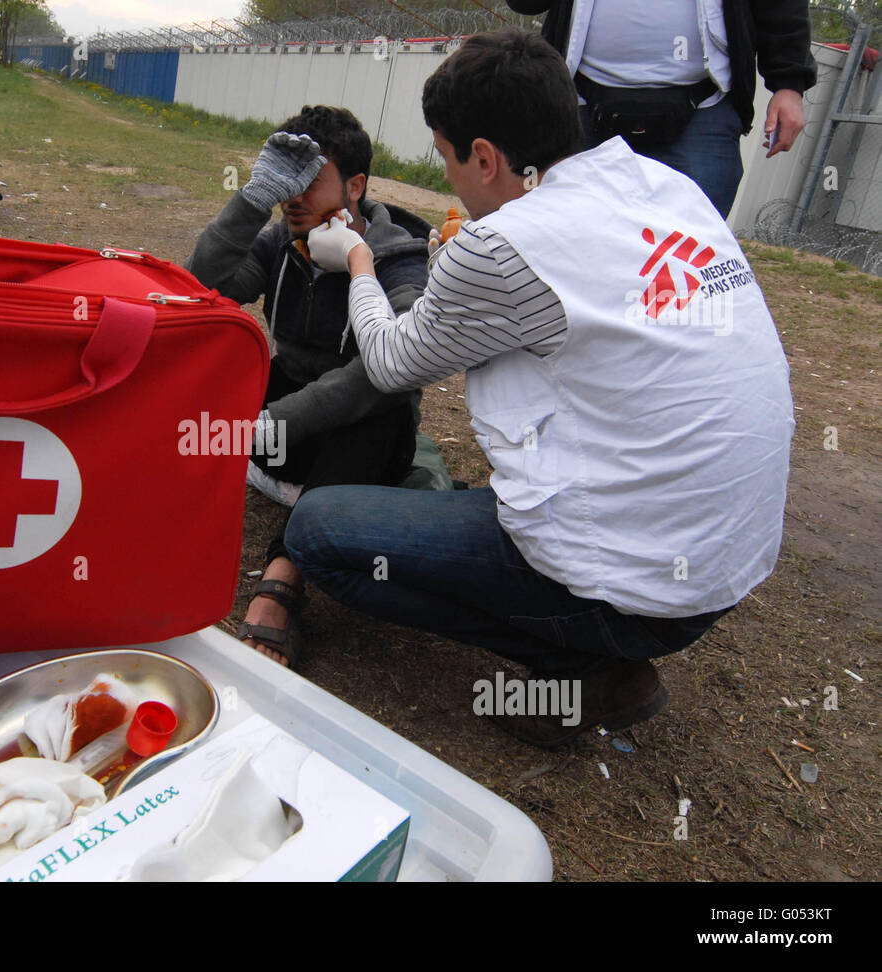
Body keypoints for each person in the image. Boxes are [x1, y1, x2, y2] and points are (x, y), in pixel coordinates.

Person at [294, 29, 794, 747]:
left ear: (487, 158)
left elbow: (390, 361)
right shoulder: (666, 186)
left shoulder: (501, 244)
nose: (450, 181)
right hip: (724, 562)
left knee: (320, 533)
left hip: (641, 588)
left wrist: (363, 262)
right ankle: (596, 644)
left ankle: (578, 669)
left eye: (447, 159)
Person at [186, 105, 431, 669]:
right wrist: (251, 200)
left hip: (356, 436)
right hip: (287, 422)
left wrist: (271, 424)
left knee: (381, 407)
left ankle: (283, 577)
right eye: (286, 180)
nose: (293, 196)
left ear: (356, 185)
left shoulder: (400, 260)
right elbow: (203, 285)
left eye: (310, 179)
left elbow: (386, 372)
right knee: (215, 357)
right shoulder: (284, 241)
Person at [506, 0, 818, 216]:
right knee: (565, 241)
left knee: (688, 255)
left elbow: (782, 8)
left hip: (704, 108)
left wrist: (789, 83)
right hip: (580, 103)